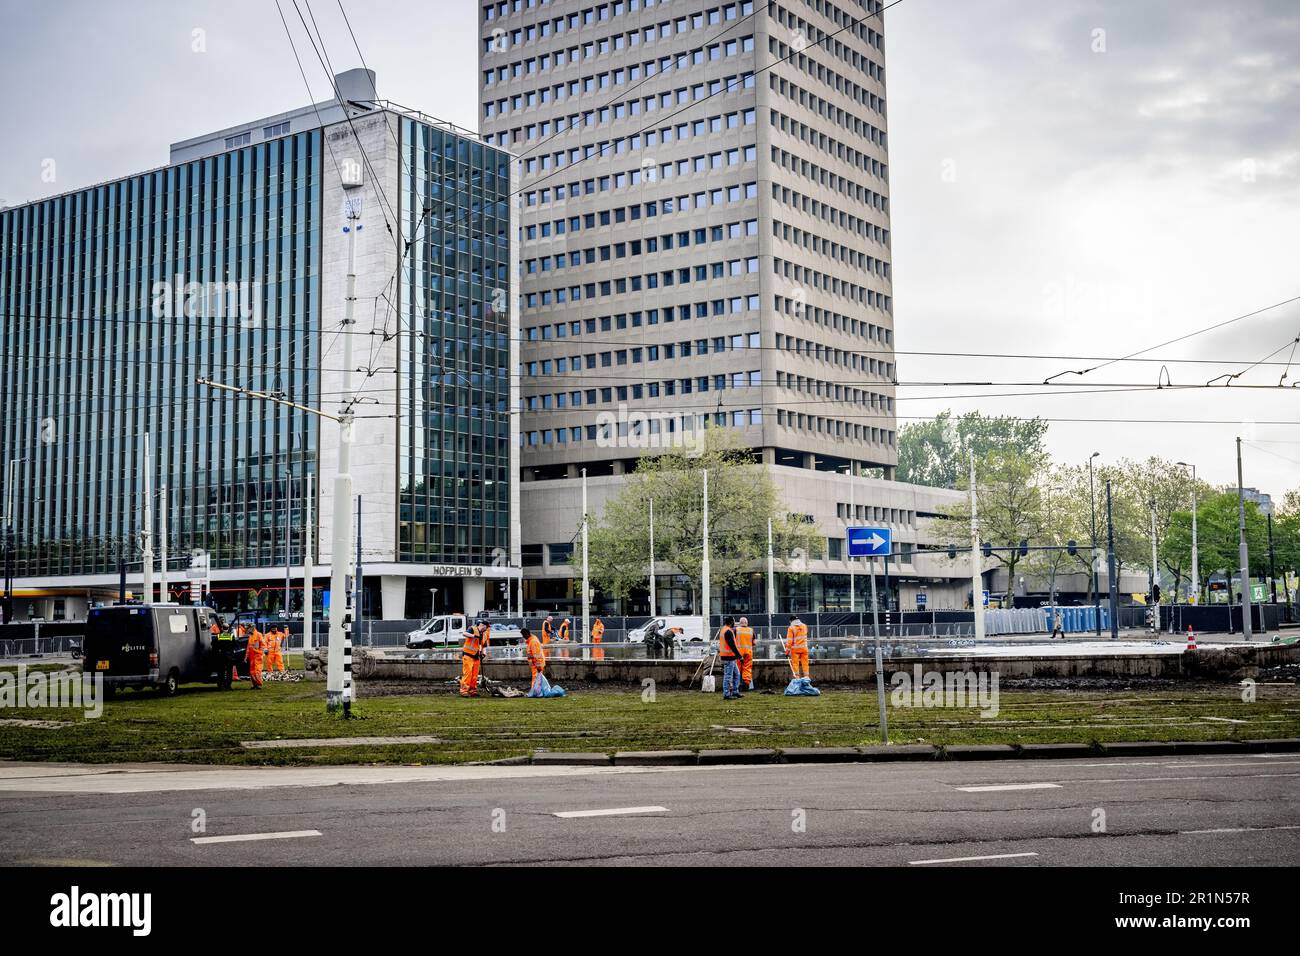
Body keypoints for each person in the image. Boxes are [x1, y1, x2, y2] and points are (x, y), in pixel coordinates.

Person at [460, 621, 488, 698]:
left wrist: (484, 653)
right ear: (482, 625)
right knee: (468, 673)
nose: (486, 629)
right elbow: (464, 634)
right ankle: (464, 691)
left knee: (475, 675)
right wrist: (474, 636)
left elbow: (484, 645)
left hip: (477, 656)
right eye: (486, 627)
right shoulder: (472, 629)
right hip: (468, 655)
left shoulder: (484, 634)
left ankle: (473, 690)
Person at [718, 617, 742, 700]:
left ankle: (735, 691)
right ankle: (726, 694)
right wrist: (740, 656)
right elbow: (732, 646)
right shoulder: (728, 631)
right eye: (734, 621)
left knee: (736, 674)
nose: (735, 623)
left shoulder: (724, 629)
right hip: (729, 657)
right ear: (731, 622)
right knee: (728, 676)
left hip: (729, 657)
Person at [785, 615, 809, 680]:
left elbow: (789, 641)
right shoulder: (804, 626)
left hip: (795, 650)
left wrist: (787, 652)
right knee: (805, 663)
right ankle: (806, 678)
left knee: (795, 664)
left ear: (791, 621)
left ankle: (797, 678)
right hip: (804, 648)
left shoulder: (791, 628)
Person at [735, 616, 755, 692]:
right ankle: (746, 685)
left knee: (737, 669)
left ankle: (738, 686)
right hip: (748, 652)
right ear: (747, 623)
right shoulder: (751, 630)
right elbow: (754, 643)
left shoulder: (736, 630)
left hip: (739, 653)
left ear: (740, 623)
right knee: (747, 668)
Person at [245, 624, 264, 690]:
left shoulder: (258, 635)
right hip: (252, 656)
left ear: (252, 628)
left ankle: (258, 684)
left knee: (257, 671)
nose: (247, 630)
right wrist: (246, 657)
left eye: (248, 628)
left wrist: (259, 652)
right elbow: (248, 647)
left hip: (257, 656)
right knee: (252, 672)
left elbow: (262, 645)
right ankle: (255, 684)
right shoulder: (251, 636)